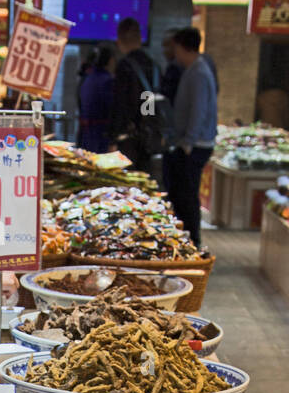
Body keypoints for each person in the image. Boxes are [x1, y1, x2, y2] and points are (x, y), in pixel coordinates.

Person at [165, 26, 217, 248]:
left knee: (187, 195)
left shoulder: (198, 72)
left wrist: (188, 143)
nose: (174, 53)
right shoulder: (194, 69)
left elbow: (199, 111)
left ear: (183, 47)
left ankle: (192, 241)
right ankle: (187, 239)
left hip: (195, 146)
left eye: (175, 48)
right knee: (183, 195)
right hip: (192, 143)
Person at [108, 17, 161, 173]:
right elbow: (151, 101)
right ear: (140, 38)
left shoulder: (125, 66)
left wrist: (114, 138)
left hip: (129, 139)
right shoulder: (155, 65)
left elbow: (120, 104)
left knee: (125, 185)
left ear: (120, 40)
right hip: (150, 137)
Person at [78, 45, 115, 154]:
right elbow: (112, 108)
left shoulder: (86, 78)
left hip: (86, 134)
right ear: (110, 60)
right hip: (101, 135)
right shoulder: (108, 81)